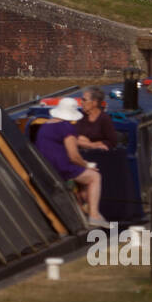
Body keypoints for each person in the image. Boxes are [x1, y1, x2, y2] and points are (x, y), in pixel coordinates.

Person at [34, 96, 109, 226]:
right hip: (60, 167)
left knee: (83, 177)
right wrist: (86, 165)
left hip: (44, 166)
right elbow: (73, 156)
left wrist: (91, 147)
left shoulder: (45, 125)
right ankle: (94, 215)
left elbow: (72, 142)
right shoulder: (66, 127)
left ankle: (84, 207)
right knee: (94, 177)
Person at [76, 87, 119, 152]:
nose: (81, 102)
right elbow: (71, 137)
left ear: (94, 103)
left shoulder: (104, 119)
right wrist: (91, 145)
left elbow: (112, 142)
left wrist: (91, 144)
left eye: (84, 100)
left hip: (97, 156)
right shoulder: (79, 116)